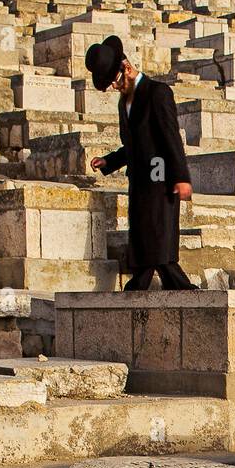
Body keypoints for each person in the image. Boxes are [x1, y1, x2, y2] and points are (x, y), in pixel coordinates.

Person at [86, 34, 196, 290]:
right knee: (145, 235)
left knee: (159, 235)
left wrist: (181, 177)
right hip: (139, 181)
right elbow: (134, 145)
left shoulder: (157, 93)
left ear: (127, 68)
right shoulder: (124, 102)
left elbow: (170, 137)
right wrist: (109, 161)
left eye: (115, 81)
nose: (115, 87)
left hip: (161, 178)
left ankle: (165, 287)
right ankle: (150, 284)